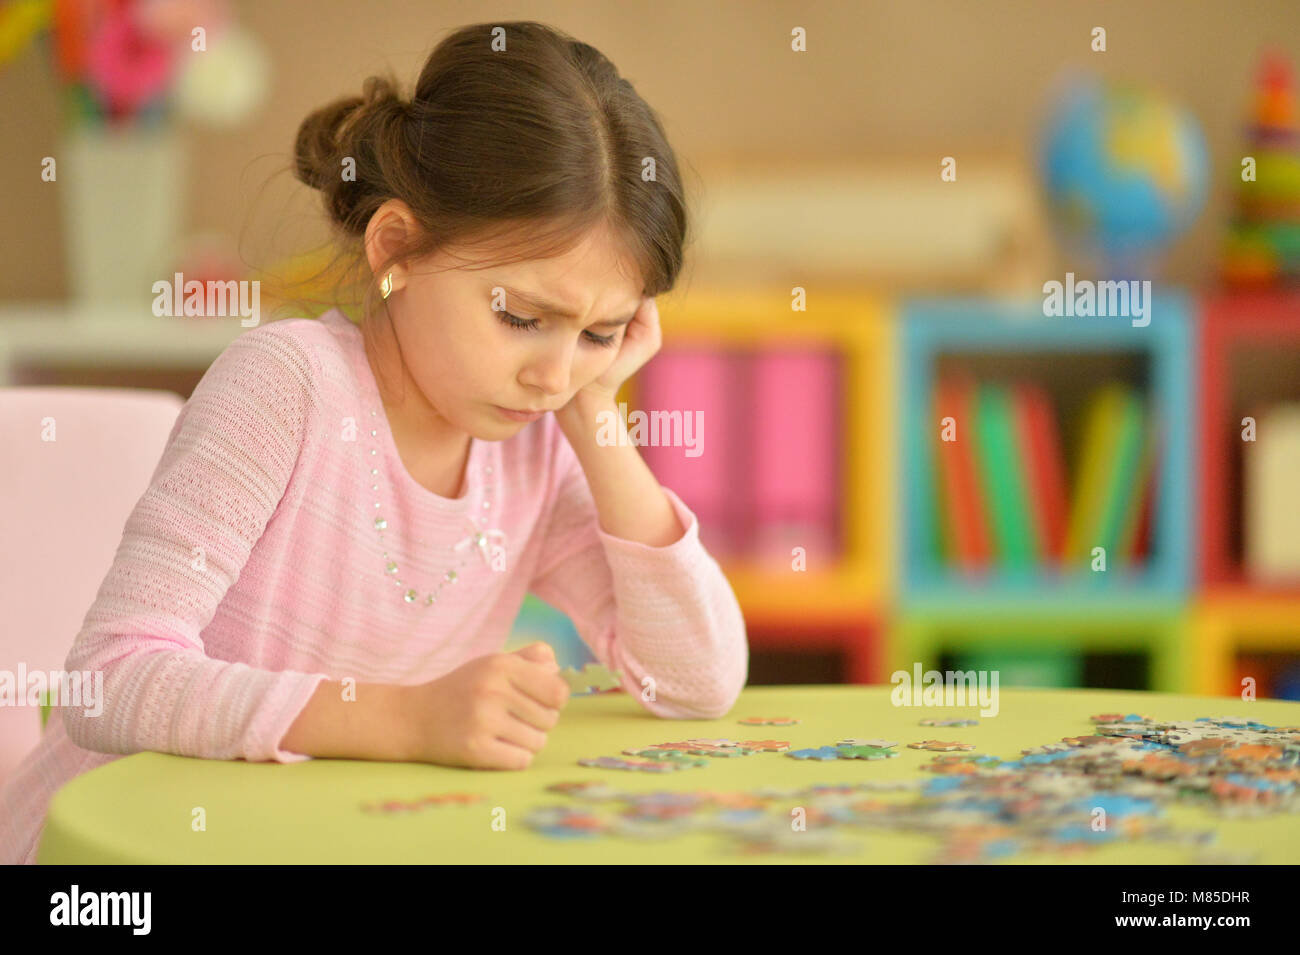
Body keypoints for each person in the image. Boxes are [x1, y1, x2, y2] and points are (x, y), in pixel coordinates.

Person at [0, 20, 747, 865]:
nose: (552, 374)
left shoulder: (535, 446)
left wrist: (599, 418)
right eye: (521, 318)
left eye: (601, 332)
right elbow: (111, 679)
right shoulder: (288, 388)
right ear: (394, 249)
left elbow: (697, 680)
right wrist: (404, 717)